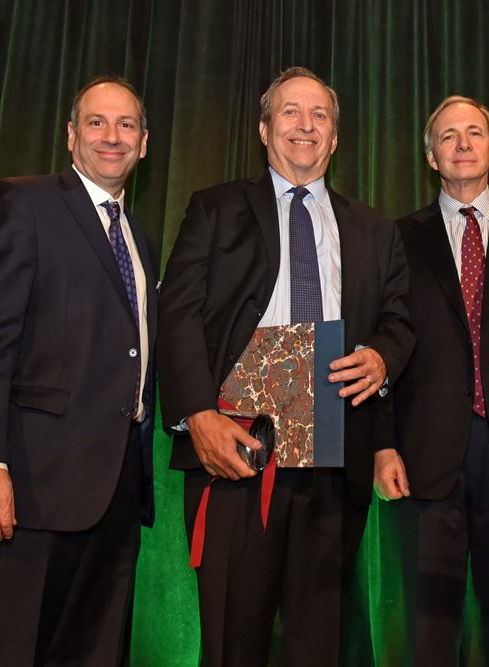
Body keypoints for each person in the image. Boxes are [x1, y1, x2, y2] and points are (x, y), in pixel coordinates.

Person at [156, 66, 413, 666]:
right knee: (231, 636)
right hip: (235, 450)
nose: (306, 125)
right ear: (266, 129)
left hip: (336, 451)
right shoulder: (214, 207)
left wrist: (381, 355)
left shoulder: (375, 229)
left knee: (319, 639)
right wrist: (196, 414)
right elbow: (180, 314)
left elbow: (400, 323)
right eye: (292, 113)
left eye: (319, 115)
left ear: (335, 137)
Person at [0, 76, 156, 665]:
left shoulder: (139, 236)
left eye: (126, 126)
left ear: (145, 143)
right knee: (5, 649)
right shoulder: (24, 202)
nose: (112, 137)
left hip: (115, 492)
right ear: (70, 136)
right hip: (33, 488)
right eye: (96, 122)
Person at [374, 95, 489, 665]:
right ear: (430, 156)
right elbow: (381, 344)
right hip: (425, 453)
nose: (462, 144)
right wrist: (382, 441)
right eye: (448, 136)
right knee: (428, 629)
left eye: (474, 133)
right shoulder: (396, 238)